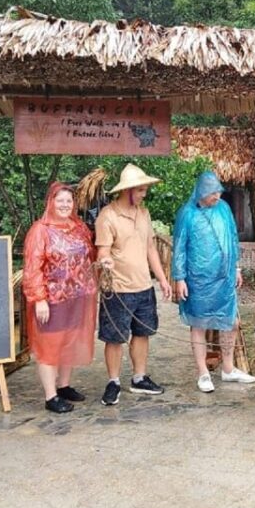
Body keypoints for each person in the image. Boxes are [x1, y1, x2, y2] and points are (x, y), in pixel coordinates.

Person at [95, 164, 172, 406]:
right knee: (115, 337)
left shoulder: (144, 213)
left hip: (143, 287)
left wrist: (161, 278)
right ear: (127, 191)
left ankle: (139, 377)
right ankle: (113, 381)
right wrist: (104, 261)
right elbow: (103, 251)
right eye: (140, 190)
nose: (143, 194)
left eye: (144, 190)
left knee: (142, 333)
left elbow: (150, 248)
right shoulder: (107, 216)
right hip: (117, 289)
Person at [172, 171, 255, 392]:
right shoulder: (187, 214)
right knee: (198, 323)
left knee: (230, 322)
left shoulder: (224, 209)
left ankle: (228, 369)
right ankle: (203, 373)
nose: (217, 196)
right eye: (212, 192)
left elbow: (233, 237)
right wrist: (179, 278)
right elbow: (179, 248)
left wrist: (236, 267)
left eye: (218, 191)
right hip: (197, 279)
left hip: (224, 276)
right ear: (201, 192)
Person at [23, 182, 97, 414]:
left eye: (69, 201)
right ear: (51, 202)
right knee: (50, 345)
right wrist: (39, 298)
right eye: (60, 200)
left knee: (69, 341)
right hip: (52, 300)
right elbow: (32, 267)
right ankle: (50, 395)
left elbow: (90, 255)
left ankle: (64, 386)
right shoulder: (40, 230)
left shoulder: (79, 227)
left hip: (77, 297)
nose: (65, 205)